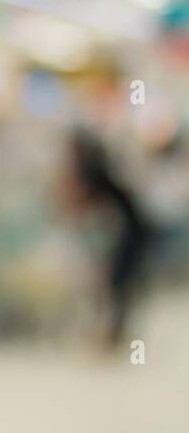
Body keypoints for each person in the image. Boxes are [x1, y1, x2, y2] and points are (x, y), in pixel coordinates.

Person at [66, 126, 153, 347]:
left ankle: (112, 338)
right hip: (129, 232)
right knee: (115, 285)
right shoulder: (101, 171)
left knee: (117, 285)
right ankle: (110, 336)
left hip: (131, 234)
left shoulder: (93, 173)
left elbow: (82, 205)